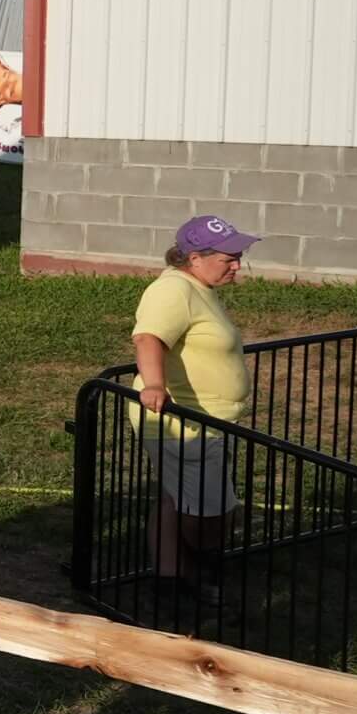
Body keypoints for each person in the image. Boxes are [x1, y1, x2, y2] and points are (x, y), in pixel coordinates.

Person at [132, 215, 259, 606]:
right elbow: (148, 336)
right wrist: (154, 384)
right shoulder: (173, 290)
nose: (237, 265)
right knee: (211, 516)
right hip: (182, 423)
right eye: (229, 258)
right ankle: (194, 565)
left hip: (203, 422)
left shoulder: (197, 286)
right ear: (195, 257)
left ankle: (171, 578)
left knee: (175, 497)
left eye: (239, 256)